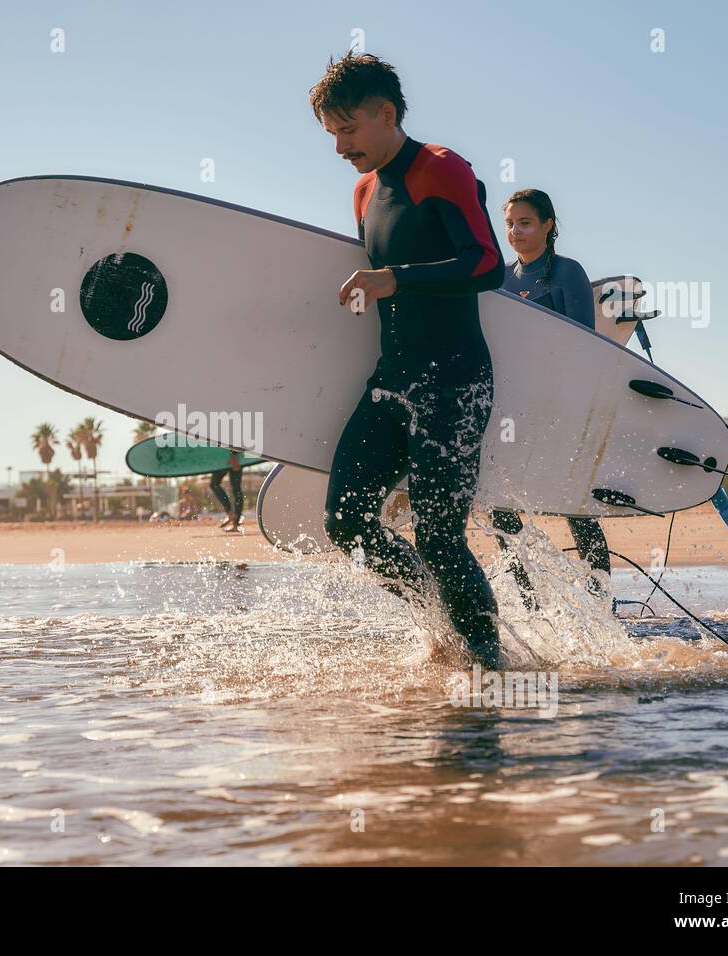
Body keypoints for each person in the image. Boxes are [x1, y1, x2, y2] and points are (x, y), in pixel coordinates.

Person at [311, 51, 504, 669]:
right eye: (332, 134)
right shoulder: (364, 191)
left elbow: (486, 264)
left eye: (349, 129)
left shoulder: (443, 169)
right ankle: (439, 622)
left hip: (453, 380)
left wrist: (397, 279)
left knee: (441, 536)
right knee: (345, 520)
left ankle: (489, 668)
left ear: (386, 112)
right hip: (391, 383)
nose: (341, 146)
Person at [492, 189, 612, 607]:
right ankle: (529, 603)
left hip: (560, 409)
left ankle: (601, 604)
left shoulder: (567, 273)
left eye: (524, 223)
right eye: (509, 223)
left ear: (548, 225)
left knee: (575, 505)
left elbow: (583, 346)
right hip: (513, 411)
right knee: (497, 506)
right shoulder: (501, 278)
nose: (515, 231)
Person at [208, 451, 244, 532]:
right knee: (236, 489)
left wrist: (233, 455)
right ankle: (232, 516)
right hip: (225, 455)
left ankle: (233, 519)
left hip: (233, 455)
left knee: (236, 489)